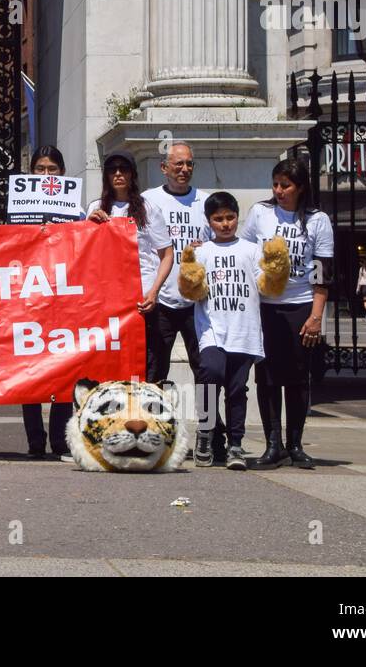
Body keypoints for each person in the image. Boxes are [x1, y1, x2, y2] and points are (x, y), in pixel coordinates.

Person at [241, 159, 334, 469]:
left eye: (286, 185)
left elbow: (323, 273)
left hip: (302, 304)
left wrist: (316, 316)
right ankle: (272, 445)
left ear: (301, 187)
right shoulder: (260, 213)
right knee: (266, 377)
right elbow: (245, 256)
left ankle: (295, 444)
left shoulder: (318, 220)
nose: (279, 191)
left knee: (297, 378)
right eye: (276, 184)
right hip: (266, 307)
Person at [141, 142, 225, 461]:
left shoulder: (206, 202)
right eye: (177, 164)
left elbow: (223, 243)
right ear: (164, 167)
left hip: (196, 302)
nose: (184, 169)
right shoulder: (149, 200)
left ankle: (210, 431)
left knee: (205, 369)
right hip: (160, 298)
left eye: (189, 164)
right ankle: (153, 431)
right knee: (154, 370)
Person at [179, 192, 267, 471]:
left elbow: (265, 285)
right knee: (210, 375)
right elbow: (190, 291)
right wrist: (188, 267)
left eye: (230, 217)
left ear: (237, 218)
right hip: (212, 330)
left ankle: (236, 444)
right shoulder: (202, 251)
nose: (225, 224)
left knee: (237, 389)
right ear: (209, 221)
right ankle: (206, 431)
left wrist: (277, 265)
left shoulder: (252, 250)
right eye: (218, 219)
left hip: (244, 331)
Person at [86, 150, 174, 381]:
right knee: (112, 364)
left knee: (146, 364)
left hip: (141, 298)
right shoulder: (95, 207)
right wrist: (89, 226)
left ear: (132, 174)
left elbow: (167, 254)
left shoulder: (148, 208)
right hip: (108, 299)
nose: (118, 174)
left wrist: (154, 292)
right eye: (112, 169)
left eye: (123, 169)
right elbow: (84, 253)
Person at [20, 144, 75, 459]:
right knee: (30, 368)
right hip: (29, 298)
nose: (45, 175)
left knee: (63, 367)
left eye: (51, 170)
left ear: (62, 174)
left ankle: (59, 438)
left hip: (63, 299)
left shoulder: (75, 211)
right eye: (39, 169)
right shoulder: (19, 211)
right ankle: (34, 440)